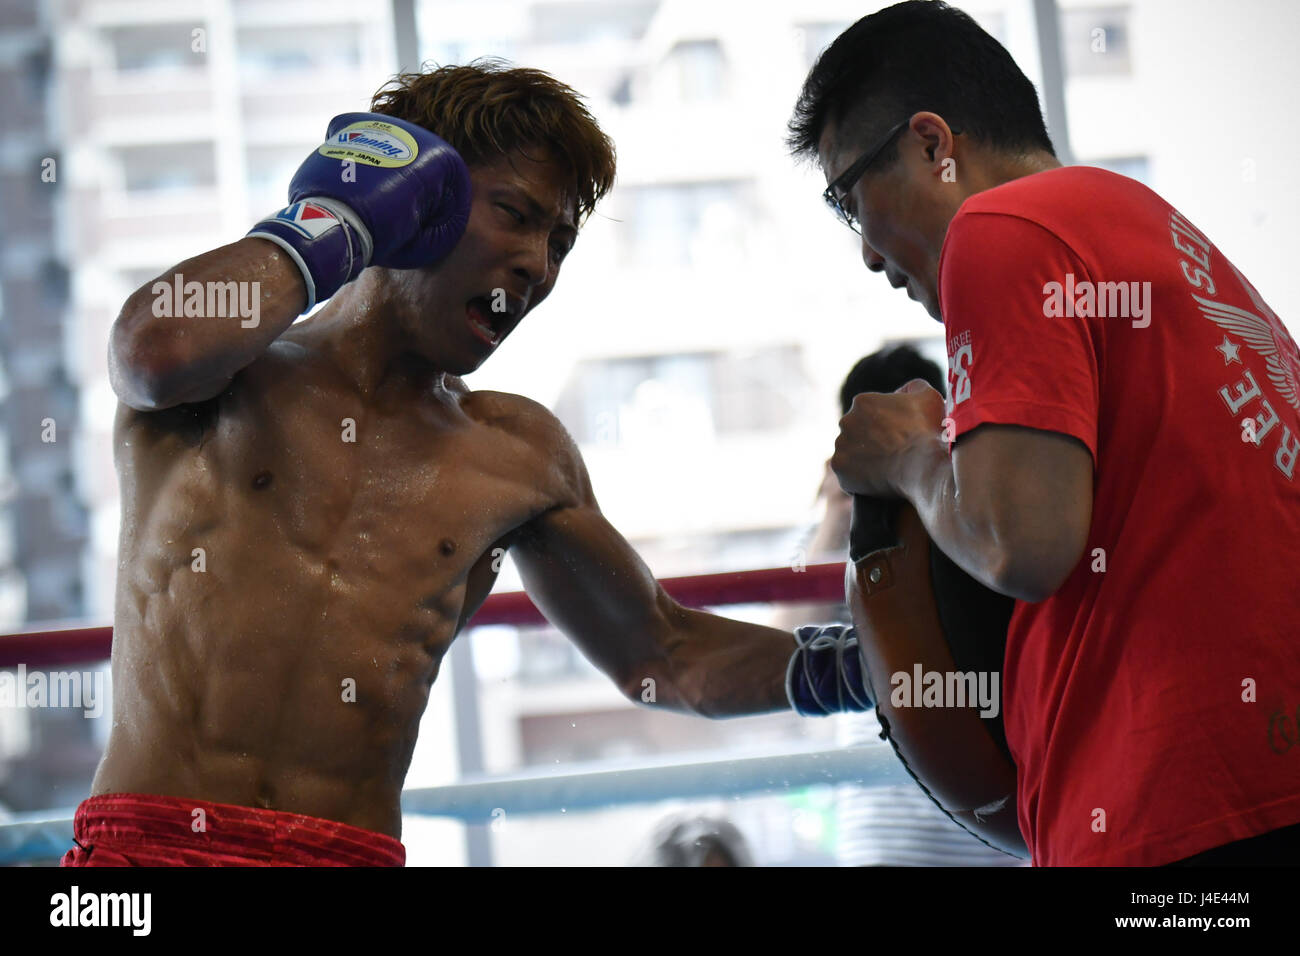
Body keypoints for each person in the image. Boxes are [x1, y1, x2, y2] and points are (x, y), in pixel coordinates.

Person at [67, 60, 802, 867]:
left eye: (559, 242)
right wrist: (336, 222)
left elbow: (666, 657)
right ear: (416, 203)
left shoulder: (516, 454)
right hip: (149, 852)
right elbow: (151, 349)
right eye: (515, 215)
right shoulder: (227, 372)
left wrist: (862, 669)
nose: (538, 267)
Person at [787, 0, 1300, 866]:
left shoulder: (1000, 231)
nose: (870, 255)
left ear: (930, 144)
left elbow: (1021, 545)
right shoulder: (1139, 220)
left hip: (1175, 817)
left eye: (849, 199)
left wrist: (908, 453)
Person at [776, 344, 1023, 866]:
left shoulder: (971, 521)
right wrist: (839, 517)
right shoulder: (829, 535)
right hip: (882, 835)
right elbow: (786, 637)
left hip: (990, 831)